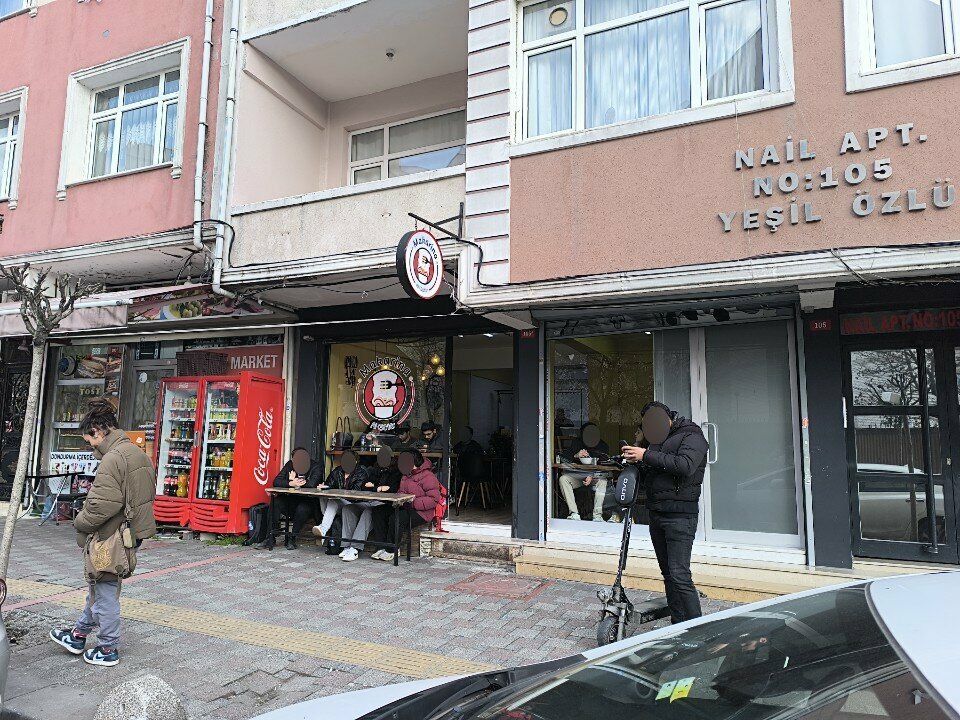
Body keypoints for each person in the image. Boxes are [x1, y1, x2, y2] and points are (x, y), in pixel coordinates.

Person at [49, 400, 156, 667]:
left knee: (105, 590)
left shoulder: (113, 458)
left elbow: (100, 505)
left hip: (111, 536)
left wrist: (80, 523)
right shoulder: (137, 453)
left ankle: (108, 648)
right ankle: (78, 634)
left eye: (90, 441)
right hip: (129, 534)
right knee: (100, 586)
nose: (92, 448)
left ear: (98, 431)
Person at [621, 401, 708, 625]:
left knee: (680, 575)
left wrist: (645, 455)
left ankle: (697, 629)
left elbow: (685, 465)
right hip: (657, 513)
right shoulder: (656, 442)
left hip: (680, 516)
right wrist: (637, 452)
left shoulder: (692, 435)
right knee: (669, 574)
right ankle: (678, 625)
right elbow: (653, 470)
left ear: (667, 417)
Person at [369, 450, 441, 561]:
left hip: (422, 512)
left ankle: (392, 549)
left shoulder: (428, 476)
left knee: (397, 518)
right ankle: (381, 546)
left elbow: (434, 499)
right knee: (378, 511)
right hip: (404, 506)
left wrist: (412, 502)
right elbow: (400, 492)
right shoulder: (405, 475)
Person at [257, 447, 323, 550]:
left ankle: (292, 538)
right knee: (276, 502)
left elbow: (312, 484)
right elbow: (277, 481)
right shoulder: (289, 465)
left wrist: (295, 483)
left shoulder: (316, 467)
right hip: (291, 500)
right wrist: (290, 483)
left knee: (303, 508)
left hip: (307, 502)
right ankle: (270, 537)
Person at [338, 460, 399, 562]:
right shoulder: (374, 471)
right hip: (368, 500)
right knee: (348, 508)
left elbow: (392, 490)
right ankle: (346, 545)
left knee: (369, 512)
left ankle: (355, 548)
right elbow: (363, 487)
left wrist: (374, 487)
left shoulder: (396, 473)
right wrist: (379, 488)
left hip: (383, 503)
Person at [310, 450, 369, 540]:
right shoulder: (337, 471)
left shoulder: (361, 473)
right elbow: (329, 484)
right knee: (322, 496)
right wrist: (324, 486)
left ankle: (323, 528)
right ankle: (326, 522)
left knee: (333, 501)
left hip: (352, 504)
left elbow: (355, 492)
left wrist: (337, 494)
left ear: (355, 461)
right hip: (338, 503)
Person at [557, 422, 610, 522]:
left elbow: (606, 465)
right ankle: (574, 513)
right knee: (563, 479)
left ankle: (597, 515)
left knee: (603, 481)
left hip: (595, 477)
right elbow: (562, 458)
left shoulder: (602, 446)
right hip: (578, 476)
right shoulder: (577, 443)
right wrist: (576, 455)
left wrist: (592, 475)